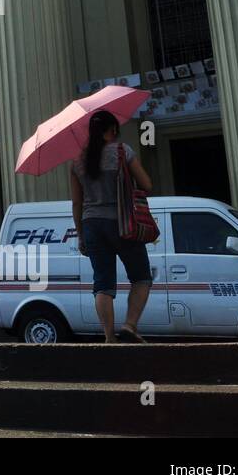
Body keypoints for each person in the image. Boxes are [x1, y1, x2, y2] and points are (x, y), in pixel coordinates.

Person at [71, 108, 153, 344]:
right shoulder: (122, 151)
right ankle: (129, 325)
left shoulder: (77, 161)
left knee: (103, 283)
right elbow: (147, 184)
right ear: (113, 130)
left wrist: (80, 235)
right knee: (141, 277)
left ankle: (109, 337)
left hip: (91, 225)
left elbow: (76, 202)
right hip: (122, 222)